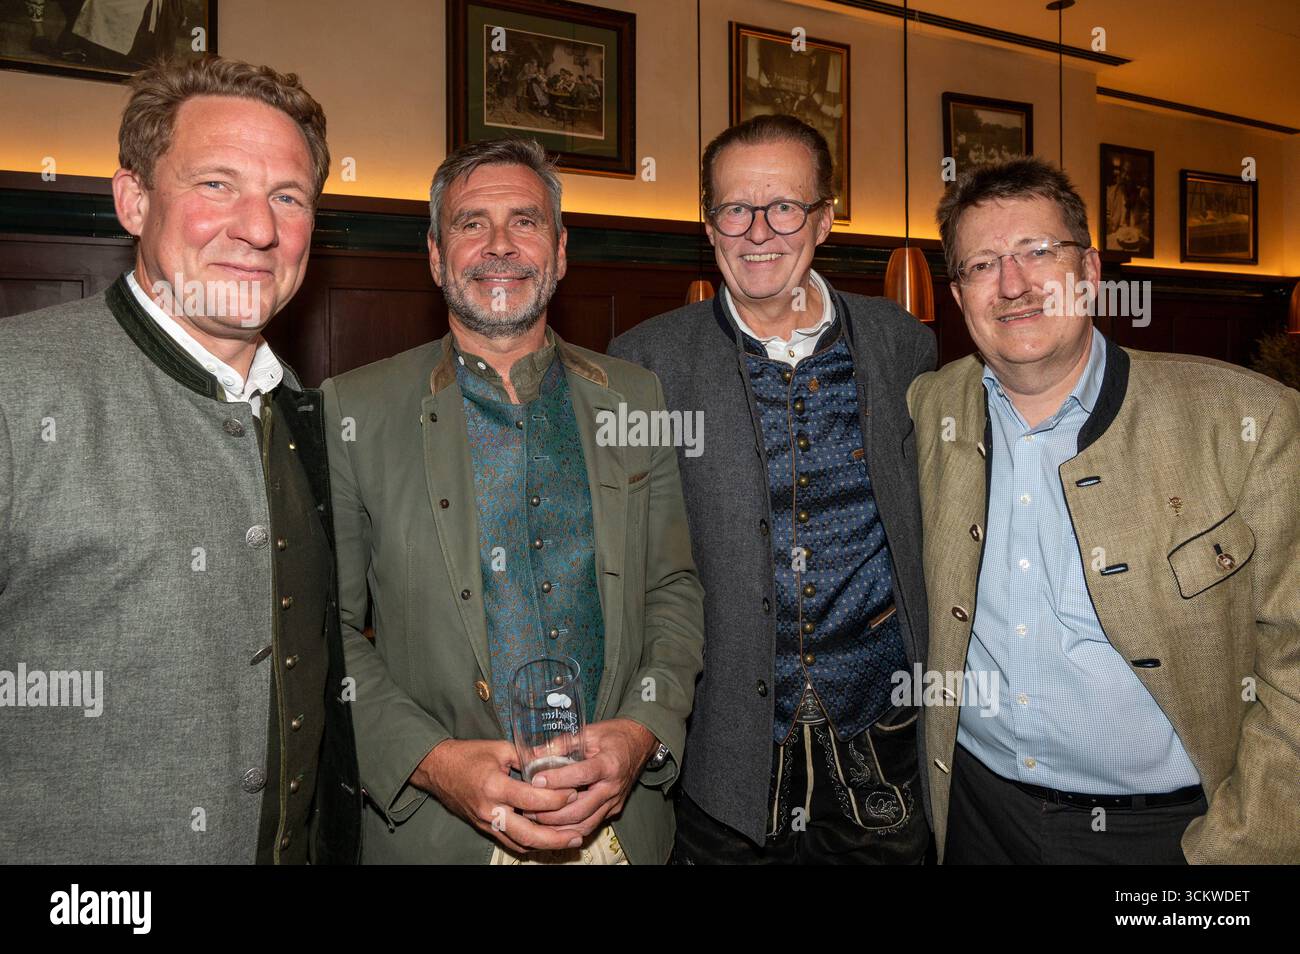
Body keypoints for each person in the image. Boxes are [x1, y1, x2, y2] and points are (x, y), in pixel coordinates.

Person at [0, 56, 360, 863]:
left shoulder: (302, 409)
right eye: (216, 185)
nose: (259, 228)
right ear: (133, 200)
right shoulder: (14, 390)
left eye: (288, 197)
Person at [323, 137, 704, 864]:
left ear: (560, 251)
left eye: (525, 221)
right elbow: (329, 635)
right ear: (436, 255)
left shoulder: (637, 397)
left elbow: (673, 589)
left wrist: (643, 729)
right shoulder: (353, 410)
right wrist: (434, 762)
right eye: (471, 224)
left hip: (621, 832)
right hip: (443, 835)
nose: (500, 245)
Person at [909, 156, 1300, 863]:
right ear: (959, 295)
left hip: (1170, 837)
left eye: (1038, 252)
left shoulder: (1248, 421)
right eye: (983, 264)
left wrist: (1238, 846)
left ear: (1090, 272)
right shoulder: (930, 410)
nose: (1015, 284)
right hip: (975, 817)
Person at [609, 114, 936, 864]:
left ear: (823, 219)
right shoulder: (645, 364)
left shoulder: (901, 346)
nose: (759, 230)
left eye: (784, 206)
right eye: (734, 208)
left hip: (887, 749)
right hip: (722, 758)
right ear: (709, 224)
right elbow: (623, 561)